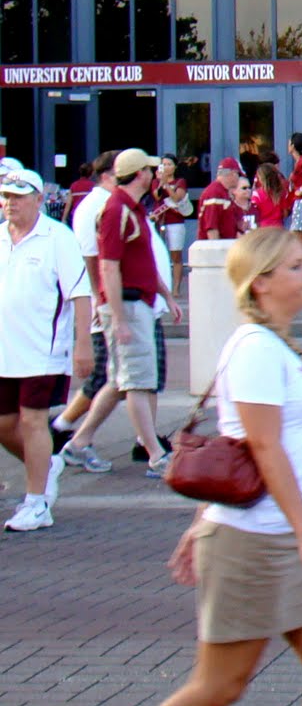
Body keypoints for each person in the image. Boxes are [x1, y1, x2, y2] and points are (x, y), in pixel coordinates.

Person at [143, 229, 302, 706]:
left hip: (286, 535)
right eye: (296, 267)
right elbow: (261, 445)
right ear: (260, 283)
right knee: (221, 685)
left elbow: (232, 442)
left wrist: (201, 524)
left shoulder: (279, 346)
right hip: (256, 541)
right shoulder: (255, 348)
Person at [0, 167, 92, 531]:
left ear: (39, 200)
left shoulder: (58, 237)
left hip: (42, 350)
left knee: (32, 420)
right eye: (6, 197)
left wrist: (82, 343)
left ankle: (36, 503)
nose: (11, 204)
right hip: (5, 349)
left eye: (19, 197)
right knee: (5, 425)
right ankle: (47, 465)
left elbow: (80, 294)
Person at [98, 149, 181, 476]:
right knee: (135, 382)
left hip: (140, 302)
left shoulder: (133, 210)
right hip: (129, 304)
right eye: (149, 169)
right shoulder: (116, 209)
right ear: (140, 174)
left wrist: (166, 296)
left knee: (136, 381)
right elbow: (108, 267)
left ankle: (78, 442)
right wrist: (117, 317)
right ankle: (154, 454)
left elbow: (143, 263)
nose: (154, 173)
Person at [52, 151, 119, 466]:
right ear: (107, 174)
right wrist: (101, 298)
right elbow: (92, 257)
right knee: (109, 378)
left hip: (121, 304)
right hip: (105, 308)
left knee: (130, 381)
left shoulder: (117, 202)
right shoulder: (96, 205)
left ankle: (147, 445)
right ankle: (65, 430)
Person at [153, 153, 193, 296]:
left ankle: (176, 288)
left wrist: (167, 185)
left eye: (169, 164)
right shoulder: (155, 181)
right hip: (160, 221)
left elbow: (176, 198)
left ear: (175, 167)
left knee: (175, 255)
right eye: (163, 164)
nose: (166, 167)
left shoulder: (180, 181)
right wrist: (160, 183)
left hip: (175, 221)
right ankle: (161, 287)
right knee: (159, 254)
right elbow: (156, 196)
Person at [198, 158, 242, 242]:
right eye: (238, 174)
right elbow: (211, 228)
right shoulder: (214, 193)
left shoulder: (222, 192)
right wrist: (216, 250)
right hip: (214, 249)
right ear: (233, 173)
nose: (238, 179)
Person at [252, 162, 290, 230]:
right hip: (279, 227)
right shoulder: (281, 192)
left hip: (263, 228)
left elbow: (254, 214)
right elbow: (285, 214)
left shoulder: (256, 194)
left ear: (261, 178)